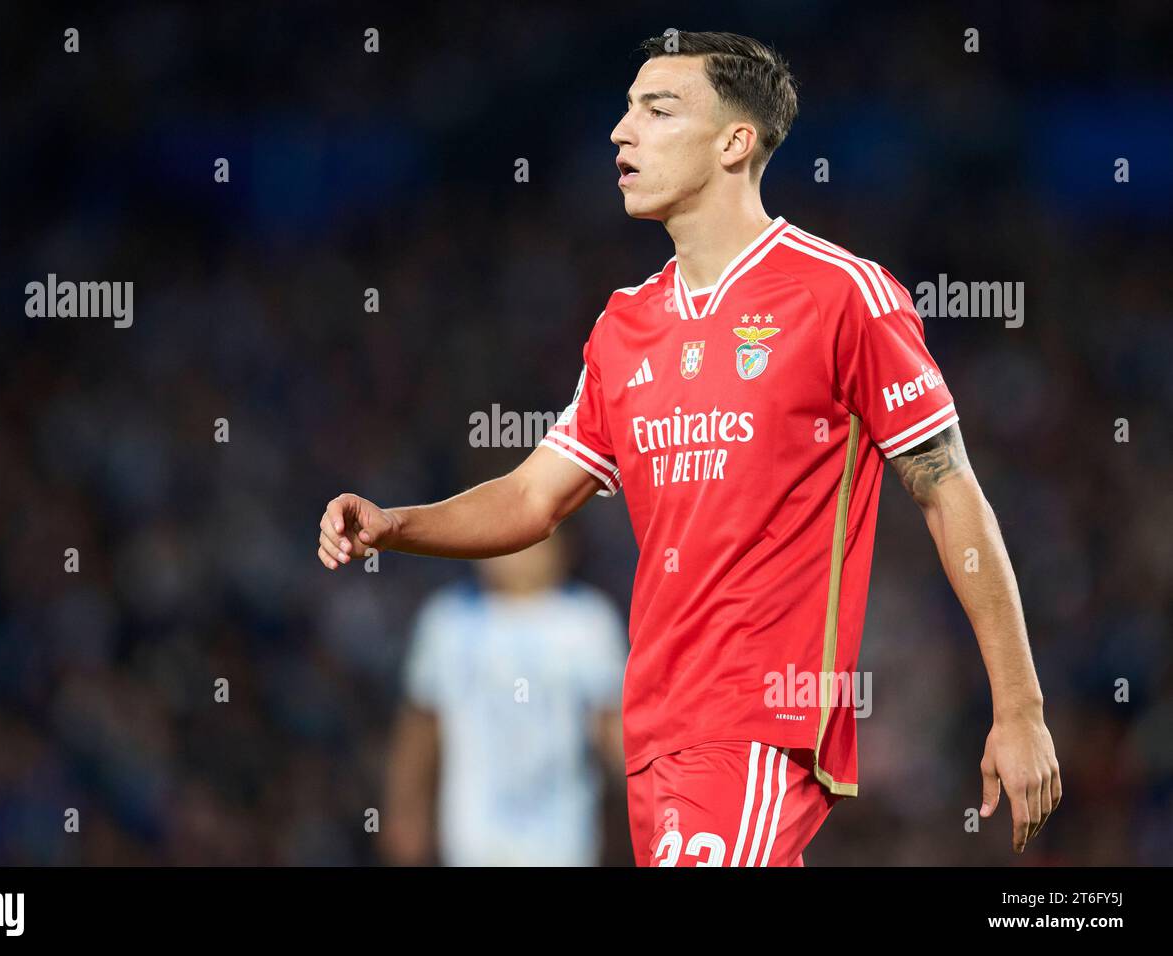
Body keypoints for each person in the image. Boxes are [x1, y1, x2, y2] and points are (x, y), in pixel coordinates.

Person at [320, 30, 1061, 866]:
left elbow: (946, 486)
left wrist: (1020, 707)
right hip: (655, 733)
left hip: (756, 724)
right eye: (626, 108)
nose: (621, 131)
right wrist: (393, 524)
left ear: (735, 143)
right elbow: (531, 498)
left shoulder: (841, 295)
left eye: (657, 109)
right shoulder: (624, 326)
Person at [381, 531, 626, 866]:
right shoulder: (449, 622)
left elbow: (613, 726)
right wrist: (405, 808)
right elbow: (421, 726)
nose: (519, 555)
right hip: (473, 836)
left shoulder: (587, 623)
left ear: (563, 548)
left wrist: (648, 799)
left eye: (534, 542)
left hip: (563, 835)